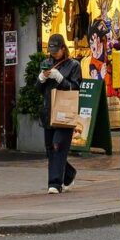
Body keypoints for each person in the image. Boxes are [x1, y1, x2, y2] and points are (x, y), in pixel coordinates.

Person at [37, 34, 82, 194]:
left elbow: (75, 88)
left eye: (56, 51)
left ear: (63, 48)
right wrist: (41, 79)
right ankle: (68, 174)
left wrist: (60, 78)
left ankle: (55, 184)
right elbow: (39, 89)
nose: (54, 54)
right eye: (51, 51)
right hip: (48, 112)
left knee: (58, 147)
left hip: (65, 112)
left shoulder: (74, 65)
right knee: (50, 149)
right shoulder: (46, 63)